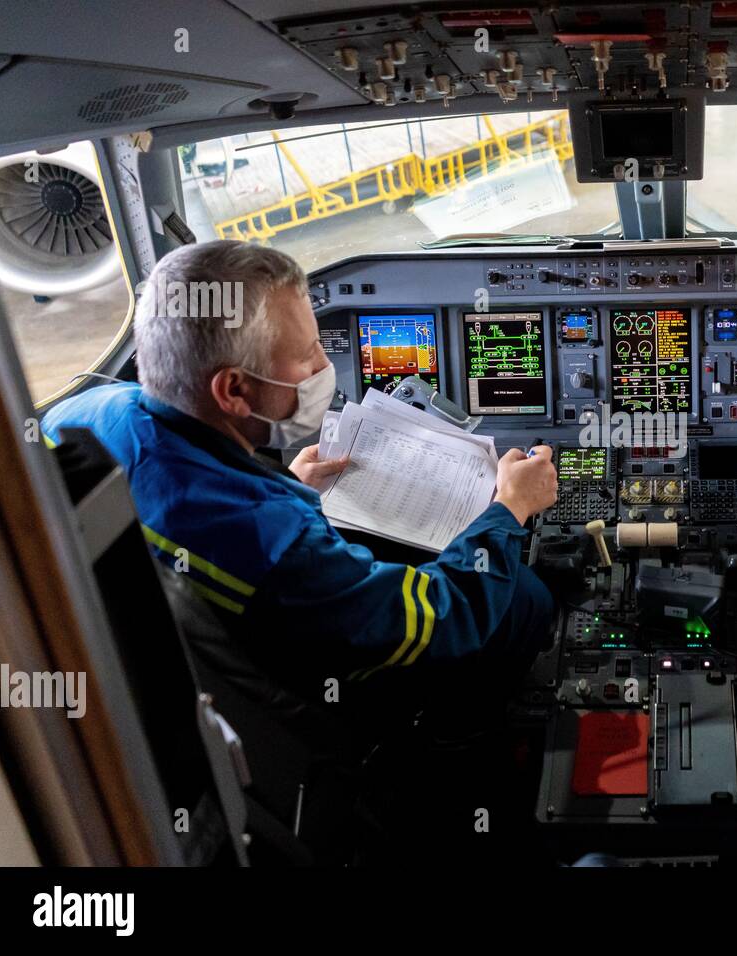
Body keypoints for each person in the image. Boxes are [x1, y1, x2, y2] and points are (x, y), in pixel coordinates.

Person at [42, 240, 558, 732]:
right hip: (312, 698)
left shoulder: (78, 417)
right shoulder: (277, 544)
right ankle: (452, 738)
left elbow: (190, 498)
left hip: (191, 661)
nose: (324, 367)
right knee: (522, 597)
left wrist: (284, 482)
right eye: (309, 354)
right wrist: (510, 507)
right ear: (234, 389)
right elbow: (445, 619)